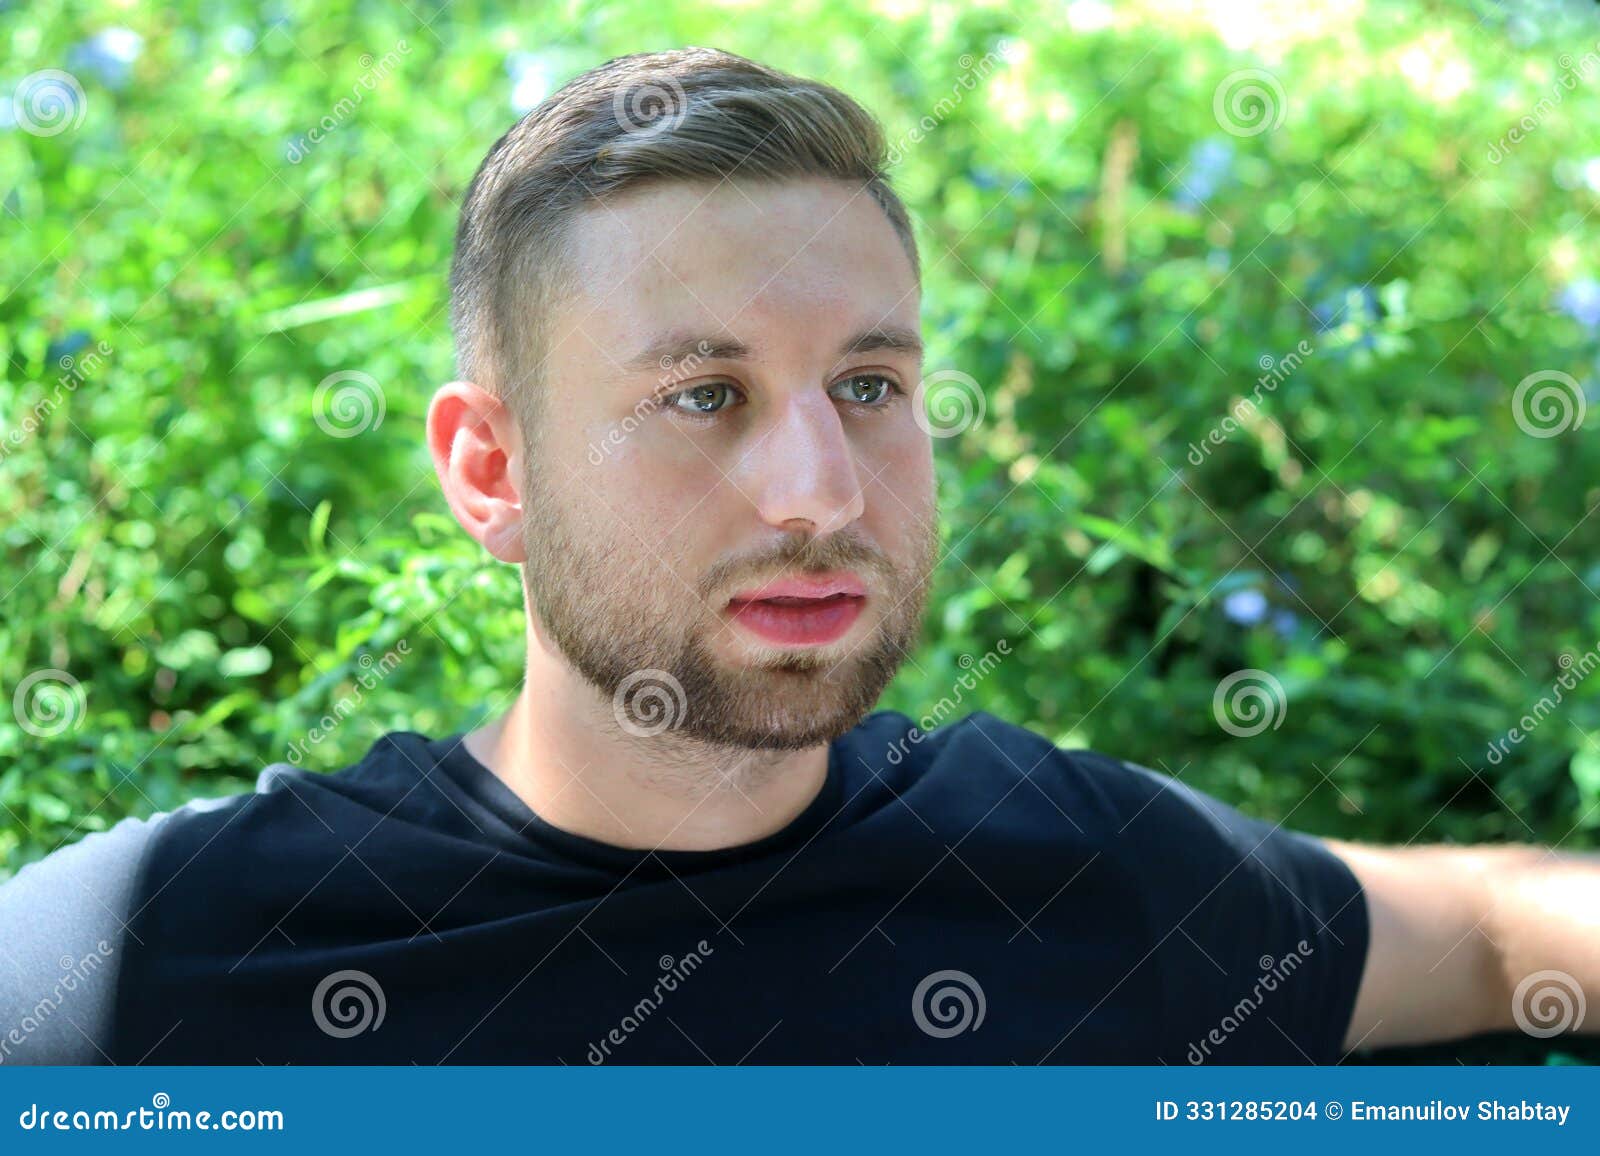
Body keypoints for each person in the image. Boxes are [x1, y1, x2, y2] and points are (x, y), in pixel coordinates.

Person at [1, 47, 1594, 1066]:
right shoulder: (163, 953)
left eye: (868, 387)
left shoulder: (1070, 867)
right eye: (704, 396)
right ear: (491, 471)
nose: (817, 490)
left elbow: (1491, 933)